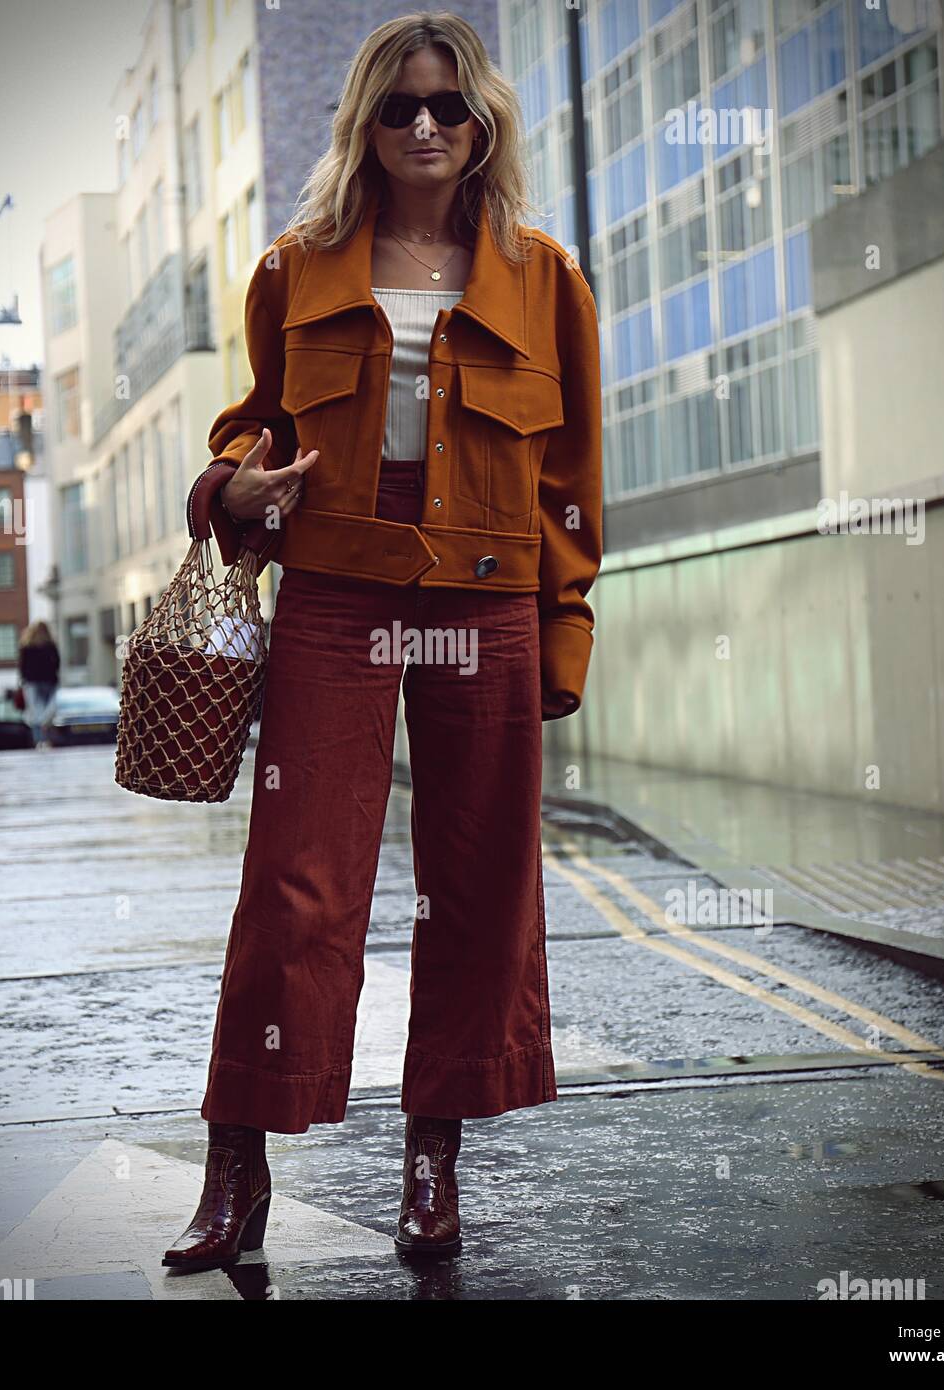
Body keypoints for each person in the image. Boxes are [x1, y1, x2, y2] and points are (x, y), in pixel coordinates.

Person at [163, 12, 601, 1271]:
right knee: (295, 889)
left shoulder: (543, 275)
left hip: (487, 596)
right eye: (400, 106)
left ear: (482, 127)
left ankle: (430, 1158)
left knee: (478, 888)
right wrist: (228, 491)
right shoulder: (293, 266)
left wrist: (560, 632)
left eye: (449, 107)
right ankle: (236, 1165)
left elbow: (570, 476)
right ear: (364, 121)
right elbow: (247, 428)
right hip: (337, 593)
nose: (424, 126)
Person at [17, 622, 61, 749]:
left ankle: (38, 740)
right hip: (49, 681)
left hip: (32, 682)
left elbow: (22, 666)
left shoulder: (27, 646)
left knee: (36, 712)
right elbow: (57, 663)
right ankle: (46, 739)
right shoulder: (51, 645)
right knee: (47, 712)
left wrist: (23, 680)